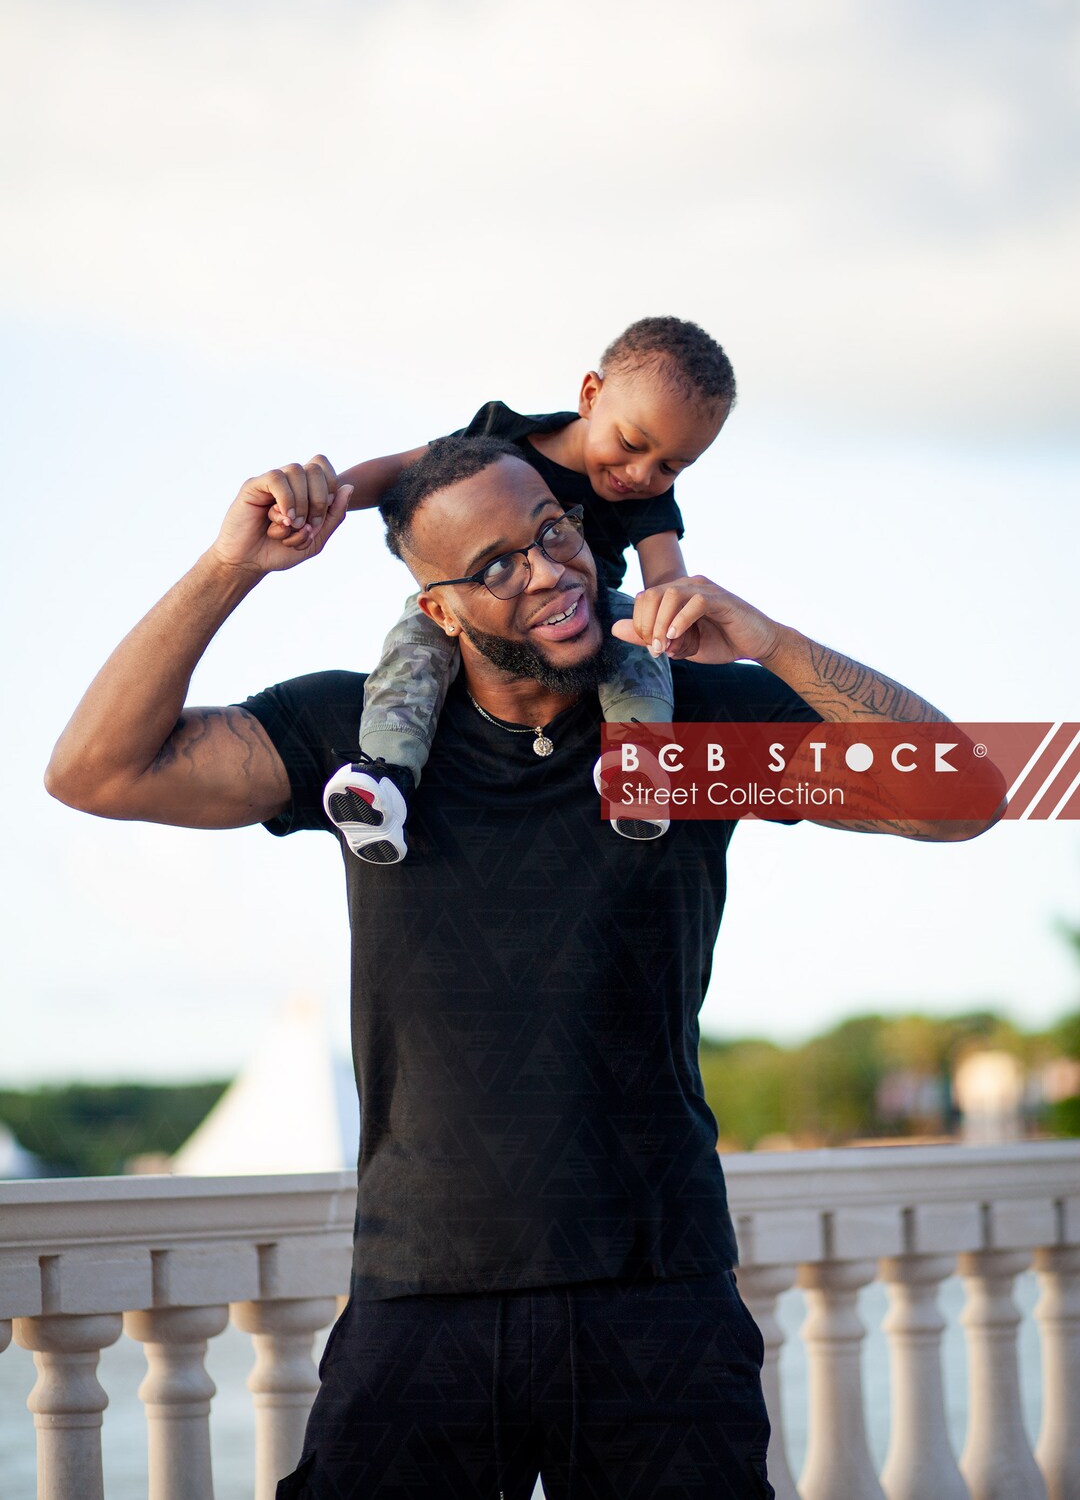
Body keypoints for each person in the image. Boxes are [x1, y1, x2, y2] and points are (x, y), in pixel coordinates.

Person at [46, 438, 997, 1500]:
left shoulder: (692, 722)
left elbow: (962, 798)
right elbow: (95, 769)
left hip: (658, 1290)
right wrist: (233, 565)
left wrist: (769, 643)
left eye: (552, 530)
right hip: (425, 1289)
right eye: (497, 564)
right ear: (439, 612)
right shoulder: (356, 736)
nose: (549, 569)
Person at [276, 316, 734, 862]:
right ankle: (384, 779)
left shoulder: (649, 503)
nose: (641, 474)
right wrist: (331, 501)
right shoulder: (503, 435)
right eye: (632, 443)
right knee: (413, 650)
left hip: (586, 612)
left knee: (636, 633)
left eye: (672, 466)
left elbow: (666, 578)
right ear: (592, 395)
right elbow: (402, 469)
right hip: (478, 607)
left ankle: (641, 763)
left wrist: (672, 616)